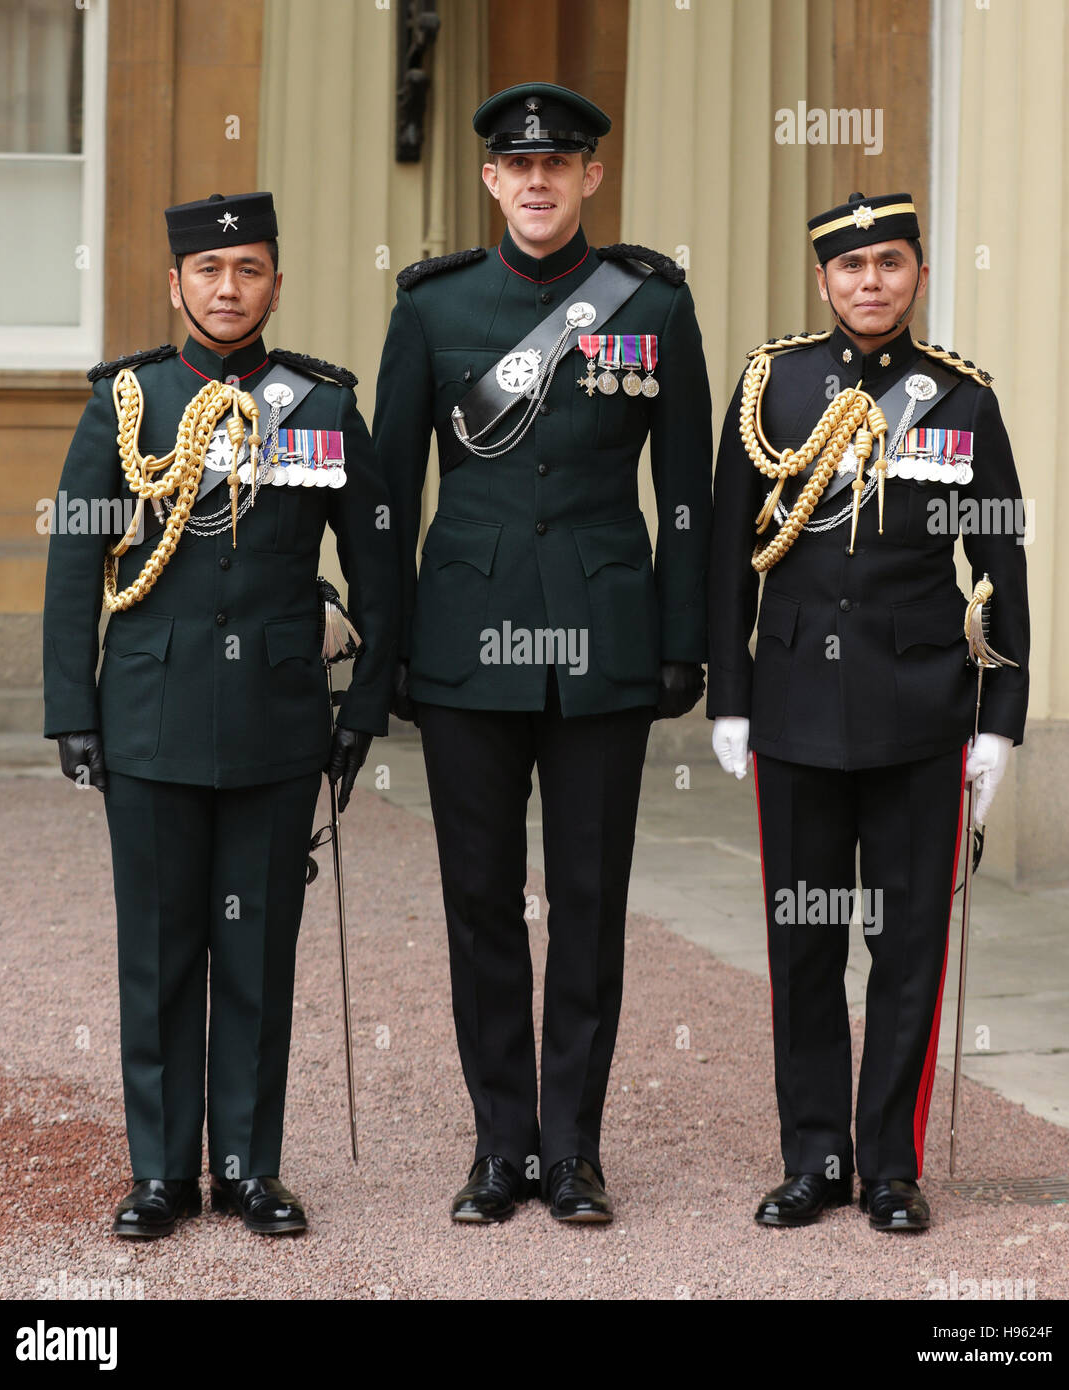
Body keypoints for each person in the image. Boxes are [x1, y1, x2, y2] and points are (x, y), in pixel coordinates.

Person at [373, 83, 712, 1224]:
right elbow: (385, 497)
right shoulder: (432, 308)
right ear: (488, 180)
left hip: (602, 646)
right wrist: (389, 657)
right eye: (517, 166)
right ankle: (497, 1148)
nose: (536, 181)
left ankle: (571, 1151)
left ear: (589, 179)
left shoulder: (652, 306)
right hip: (465, 647)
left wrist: (680, 640)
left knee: (588, 901)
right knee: (477, 901)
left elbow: (686, 495)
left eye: (558, 164)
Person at [42, 191, 397, 1238]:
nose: (228, 288)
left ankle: (248, 1168)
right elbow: (74, 561)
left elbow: (377, 571)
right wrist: (74, 708)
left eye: (248, 270)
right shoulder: (127, 402)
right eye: (209, 271)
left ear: (275, 284)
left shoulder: (323, 407)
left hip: (279, 722)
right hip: (148, 711)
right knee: (157, 951)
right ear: (176, 284)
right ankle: (158, 1172)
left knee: (255, 951)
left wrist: (362, 710)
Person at [707, 192, 1029, 1231]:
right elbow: (724, 554)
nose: (869, 283)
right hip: (795, 703)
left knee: (905, 943)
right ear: (821, 280)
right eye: (850, 268)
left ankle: (889, 1163)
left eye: (890, 264)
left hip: (920, 707)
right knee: (803, 940)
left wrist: (998, 721)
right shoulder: (773, 385)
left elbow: (1000, 564)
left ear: (918, 275)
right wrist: (729, 693)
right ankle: (814, 1156)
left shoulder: (960, 401)